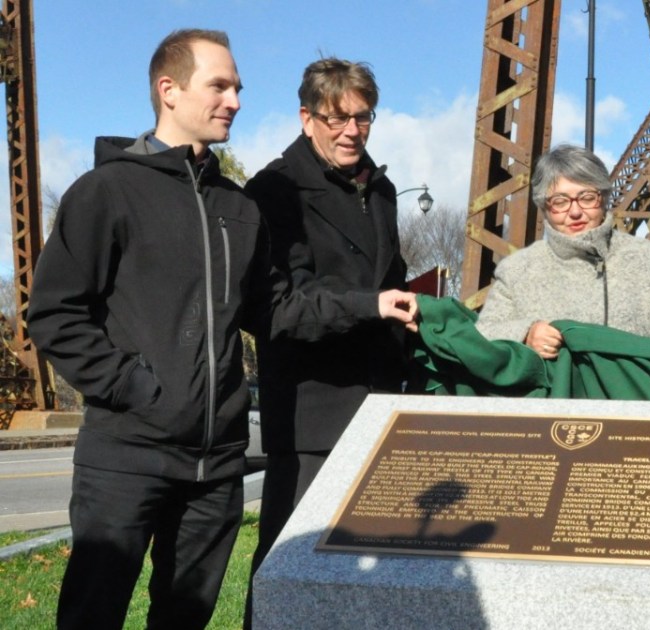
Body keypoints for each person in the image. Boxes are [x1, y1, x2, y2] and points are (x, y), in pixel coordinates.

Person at [26, 30, 418, 630]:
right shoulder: (106, 191)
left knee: (187, 618)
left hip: (217, 462)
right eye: (219, 86)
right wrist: (135, 390)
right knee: (92, 615)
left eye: (237, 87)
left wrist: (370, 307)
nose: (234, 99)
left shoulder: (239, 207)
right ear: (169, 90)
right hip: (128, 451)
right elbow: (54, 314)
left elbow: (278, 310)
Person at [242, 57, 411, 617]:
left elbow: (393, 278)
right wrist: (372, 306)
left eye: (363, 118)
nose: (351, 130)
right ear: (306, 117)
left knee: (371, 574)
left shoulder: (379, 188)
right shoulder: (274, 190)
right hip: (313, 413)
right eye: (336, 118)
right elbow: (278, 308)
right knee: (286, 573)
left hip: (381, 403)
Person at [475, 144, 650, 351]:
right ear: (544, 207)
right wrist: (525, 334)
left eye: (587, 198)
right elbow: (481, 336)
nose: (575, 211)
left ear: (604, 198)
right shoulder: (517, 270)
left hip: (633, 399)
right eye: (560, 202)